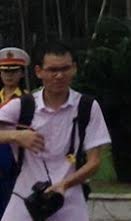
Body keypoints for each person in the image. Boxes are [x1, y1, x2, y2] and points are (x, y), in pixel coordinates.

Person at [0, 40, 111, 221]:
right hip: (24, 197)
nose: (59, 76)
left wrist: (65, 185)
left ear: (74, 68)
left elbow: (94, 162)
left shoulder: (87, 106)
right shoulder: (24, 106)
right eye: (52, 70)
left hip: (69, 198)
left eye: (65, 68)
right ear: (39, 72)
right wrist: (17, 135)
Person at [0, 48, 30, 217]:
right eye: (4, 71)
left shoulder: (28, 102)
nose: (8, 75)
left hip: (15, 166)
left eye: (13, 71)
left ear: (21, 74)